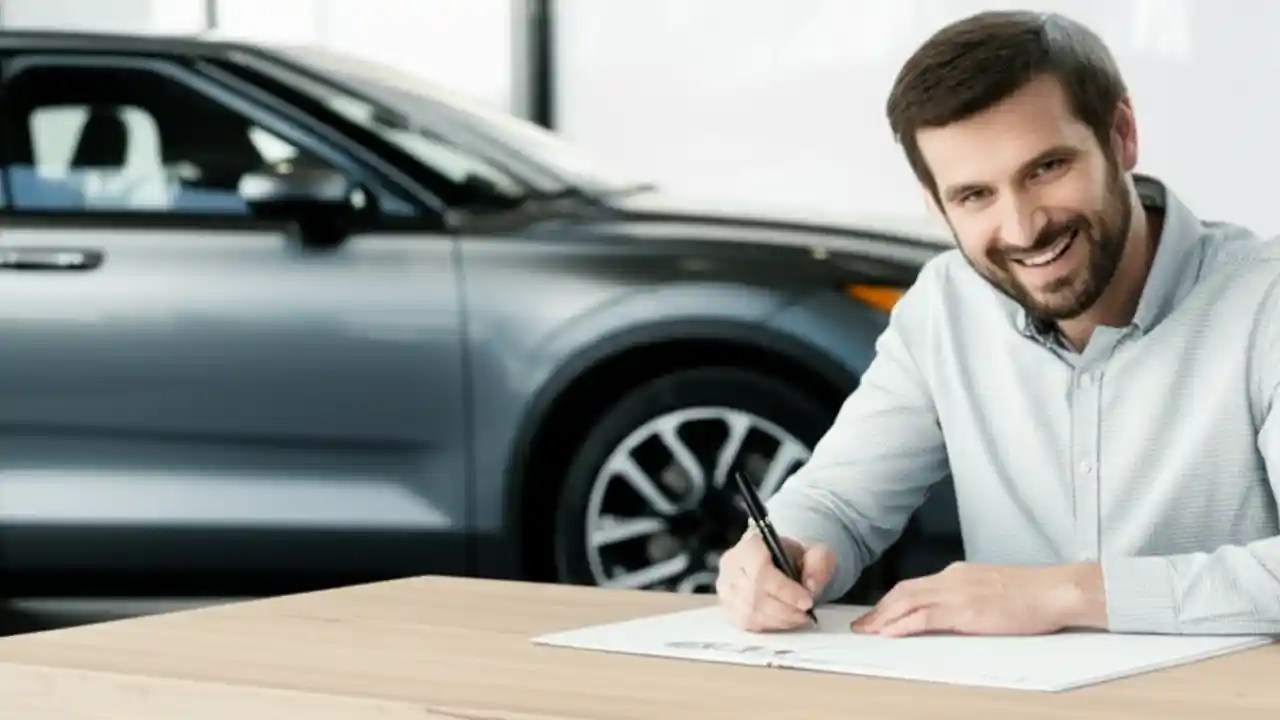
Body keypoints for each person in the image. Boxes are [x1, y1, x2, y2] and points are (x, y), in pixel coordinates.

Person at [716, 10, 1280, 637]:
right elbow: (839, 501)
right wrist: (784, 551)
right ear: (936, 206)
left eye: (1046, 169)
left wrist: (1063, 593)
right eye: (974, 196)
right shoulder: (945, 306)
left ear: (1120, 135)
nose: (1022, 228)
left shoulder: (1265, 301)